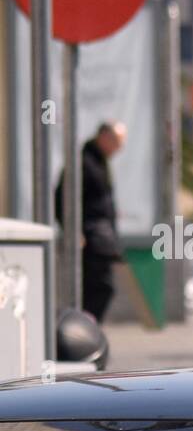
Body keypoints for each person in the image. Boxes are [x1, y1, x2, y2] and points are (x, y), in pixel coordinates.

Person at [55, 121, 126, 322]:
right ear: (104, 137)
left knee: (96, 288)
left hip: (99, 236)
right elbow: (61, 197)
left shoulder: (98, 160)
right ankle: (85, 327)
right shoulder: (84, 162)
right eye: (116, 142)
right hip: (90, 237)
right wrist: (73, 231)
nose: (118, 149)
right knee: (100, 288)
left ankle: (87, 327)